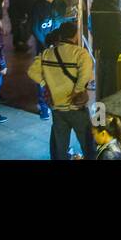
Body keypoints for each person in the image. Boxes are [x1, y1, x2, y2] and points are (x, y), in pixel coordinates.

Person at [27, 22, 95, 160]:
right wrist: (78, 90)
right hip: (76, 107)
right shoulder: (80, 53)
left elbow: (32, 72)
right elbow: (86, 74)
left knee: (60, 148)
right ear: (76, 35)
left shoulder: (47, 53)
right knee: (88, 145)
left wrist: (44, 84)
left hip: (57, 107)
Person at [90, 0, 121, 98]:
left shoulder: (98, 3)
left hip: (103, 47)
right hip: (112, 48)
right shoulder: (110, 8)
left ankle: (103, 100)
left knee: (104, 76)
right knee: (111, 78)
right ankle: (108, 103)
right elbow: (117, 31)